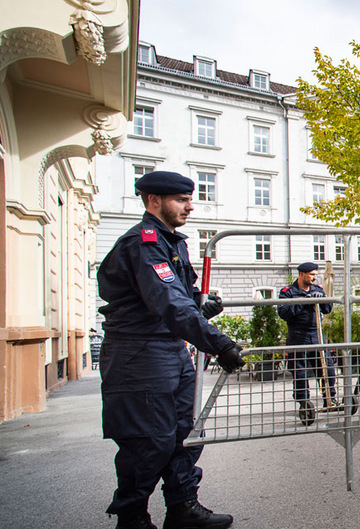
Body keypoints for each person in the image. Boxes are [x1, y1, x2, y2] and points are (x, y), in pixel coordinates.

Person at [97, 171, 245, 529]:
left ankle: (183, 507)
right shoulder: (143, 243)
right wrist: (219, 342)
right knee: (149, 441)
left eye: (190, 199)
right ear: (154, 201)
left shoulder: (172, 242)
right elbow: (166, 302)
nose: (190, 206)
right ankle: (132, 518)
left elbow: (179, 297)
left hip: (169, 349)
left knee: (185, 433)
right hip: (139, 353)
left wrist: (201, 303)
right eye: (181, 200)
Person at [277, 262, 334, 426]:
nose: (314, 278)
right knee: (299, 372)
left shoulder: (318, 290)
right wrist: (303, 301)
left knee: (327, 368)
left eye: (316, 275)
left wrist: (322, 300)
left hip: (317, 333)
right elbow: (284, 313)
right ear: (301, 274)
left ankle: (330, 399)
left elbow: (328, 309)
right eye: (311, 275)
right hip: (298, 335)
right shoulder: (288, 292)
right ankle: (304, 404)